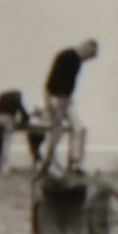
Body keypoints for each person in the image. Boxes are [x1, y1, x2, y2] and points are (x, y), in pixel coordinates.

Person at [39, 38, 100, 175]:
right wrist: (54, 100)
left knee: (79, 128)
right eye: (89, 55)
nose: (88, 59)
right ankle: (49, 163)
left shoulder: (77, 61)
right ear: (85, 47)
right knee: (58, 131)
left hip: (66, 98)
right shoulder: (66, 57)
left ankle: (75, 162)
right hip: (56, 96)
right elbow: (55, 79)